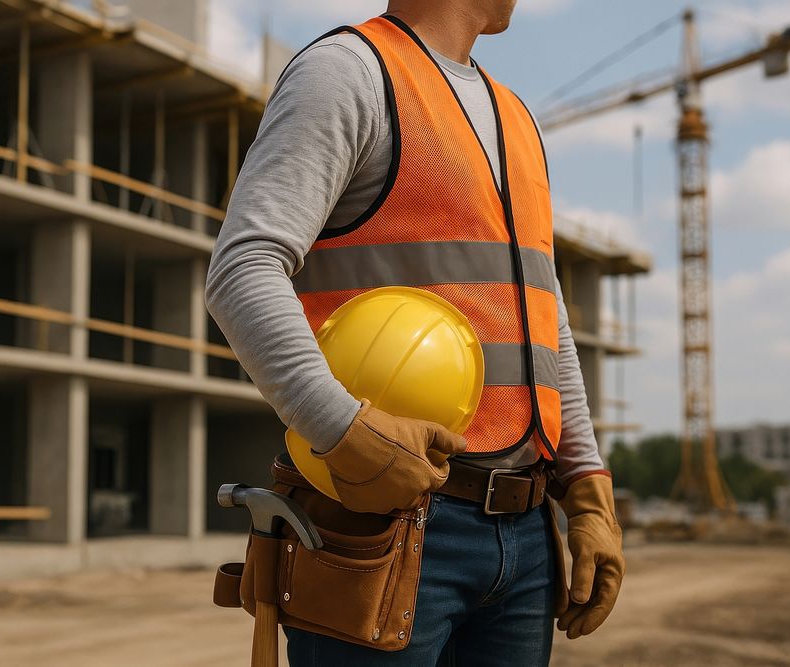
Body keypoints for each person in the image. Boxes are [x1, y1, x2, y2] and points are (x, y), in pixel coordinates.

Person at [206, 1, 625, 664]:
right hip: (382, 523)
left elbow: (547, 322)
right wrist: (342, 429)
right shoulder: (348, 73)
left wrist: (588, 489)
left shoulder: (516, 118)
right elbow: (242, 268)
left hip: (527, 531)